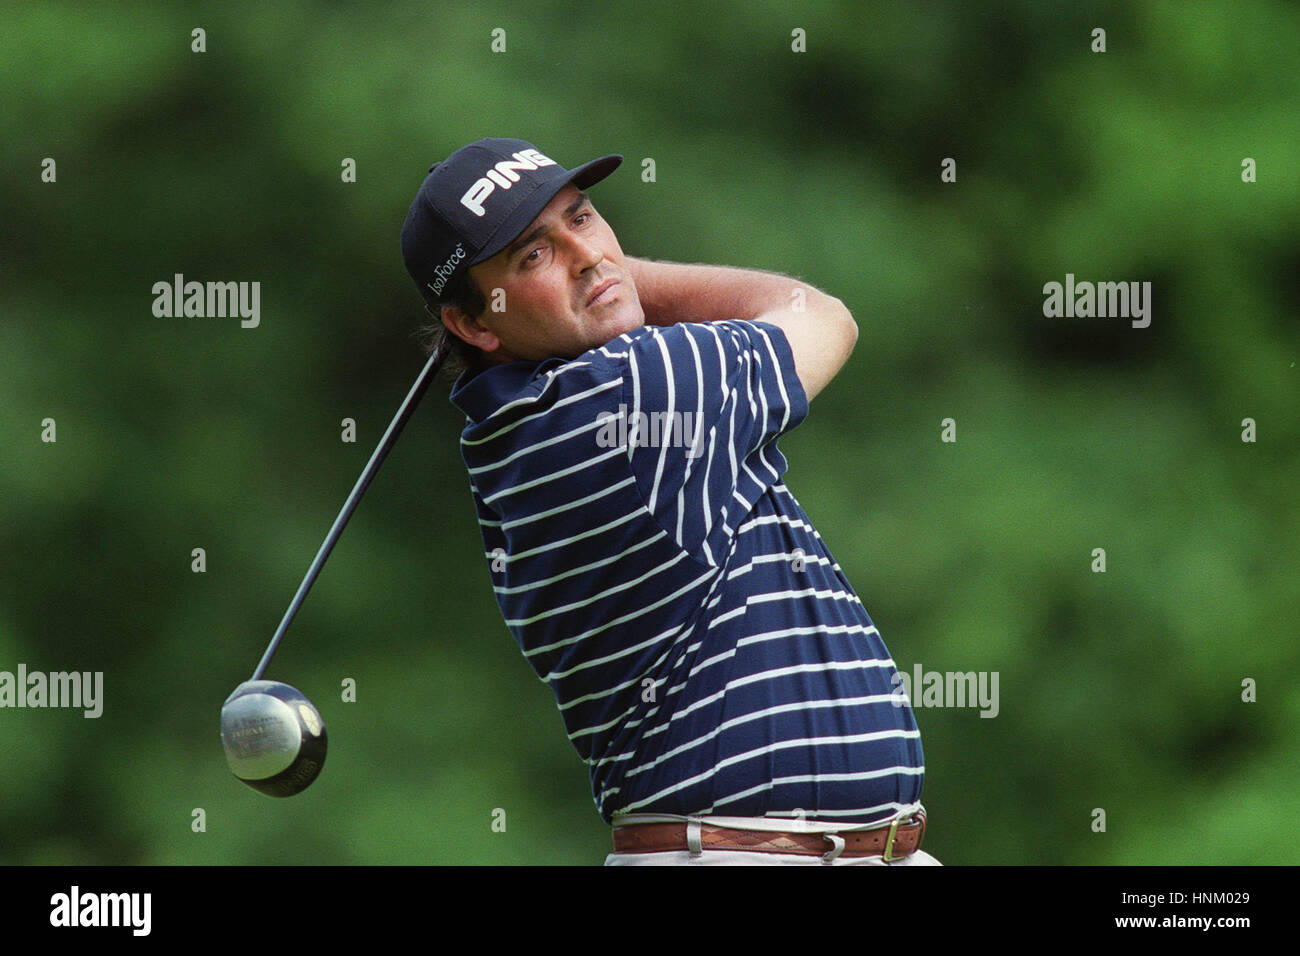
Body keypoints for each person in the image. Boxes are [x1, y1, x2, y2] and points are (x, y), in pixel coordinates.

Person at [401, 138, 937, 865]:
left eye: (583, 219)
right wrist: (625, 280)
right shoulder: (627, 396)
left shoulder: (522, 428)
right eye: (533, 255)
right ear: (473, 324)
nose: (585, 254)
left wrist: (596, 282)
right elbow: (820, 315)